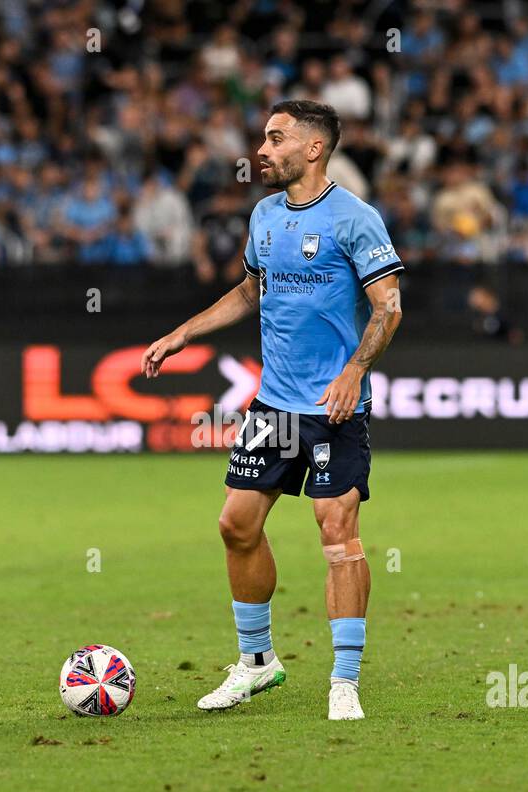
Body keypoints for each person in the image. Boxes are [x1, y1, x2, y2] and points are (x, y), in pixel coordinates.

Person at [141, 100, 404, 721]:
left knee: (336, 534)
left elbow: (388, 306)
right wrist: (185, 332)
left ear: (313, 149)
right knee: (236, 525)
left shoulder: (355, 219)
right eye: (263, 137)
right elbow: (251, 290)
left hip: (334, 406)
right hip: (274, 406)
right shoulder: (262, 215)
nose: (261, 149)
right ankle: (257, 663)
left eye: (275, 138)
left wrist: (354, 371)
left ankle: (344, 680)